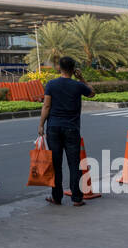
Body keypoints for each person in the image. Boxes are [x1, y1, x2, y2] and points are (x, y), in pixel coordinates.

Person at [39, 56, 94, 205]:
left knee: (56, 164)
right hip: (72, 128)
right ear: (73, 69)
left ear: (59, 68)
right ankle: (77, 198)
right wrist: (82, 78)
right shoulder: (77, 85)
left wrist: (41, 125)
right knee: (74, 164)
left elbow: (46, 106)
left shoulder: (51, 84)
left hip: (54, 128)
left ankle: (56, 197)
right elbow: (92, 93)